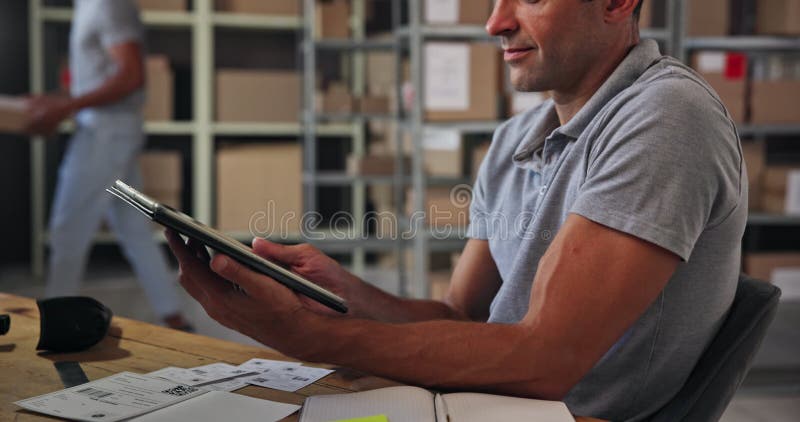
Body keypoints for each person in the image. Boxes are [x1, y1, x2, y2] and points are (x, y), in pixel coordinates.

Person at [166, 0, 746, 419]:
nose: (496, 22)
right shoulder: (514, 140)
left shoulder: (667, 116)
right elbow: (462, 316)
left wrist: (310, 337)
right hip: (491, 402)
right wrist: (342, 296)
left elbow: (547, 360)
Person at [26, 0, 191, 331]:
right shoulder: (89, 5)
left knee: (67, 228)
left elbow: (131, 75)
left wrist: (67, 106)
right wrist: (58, 101)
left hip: (107, 132)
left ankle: (53, 324)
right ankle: (173, 314)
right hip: (104, 129)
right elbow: (97, 76)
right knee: (132, 228)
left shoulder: (107, 4)